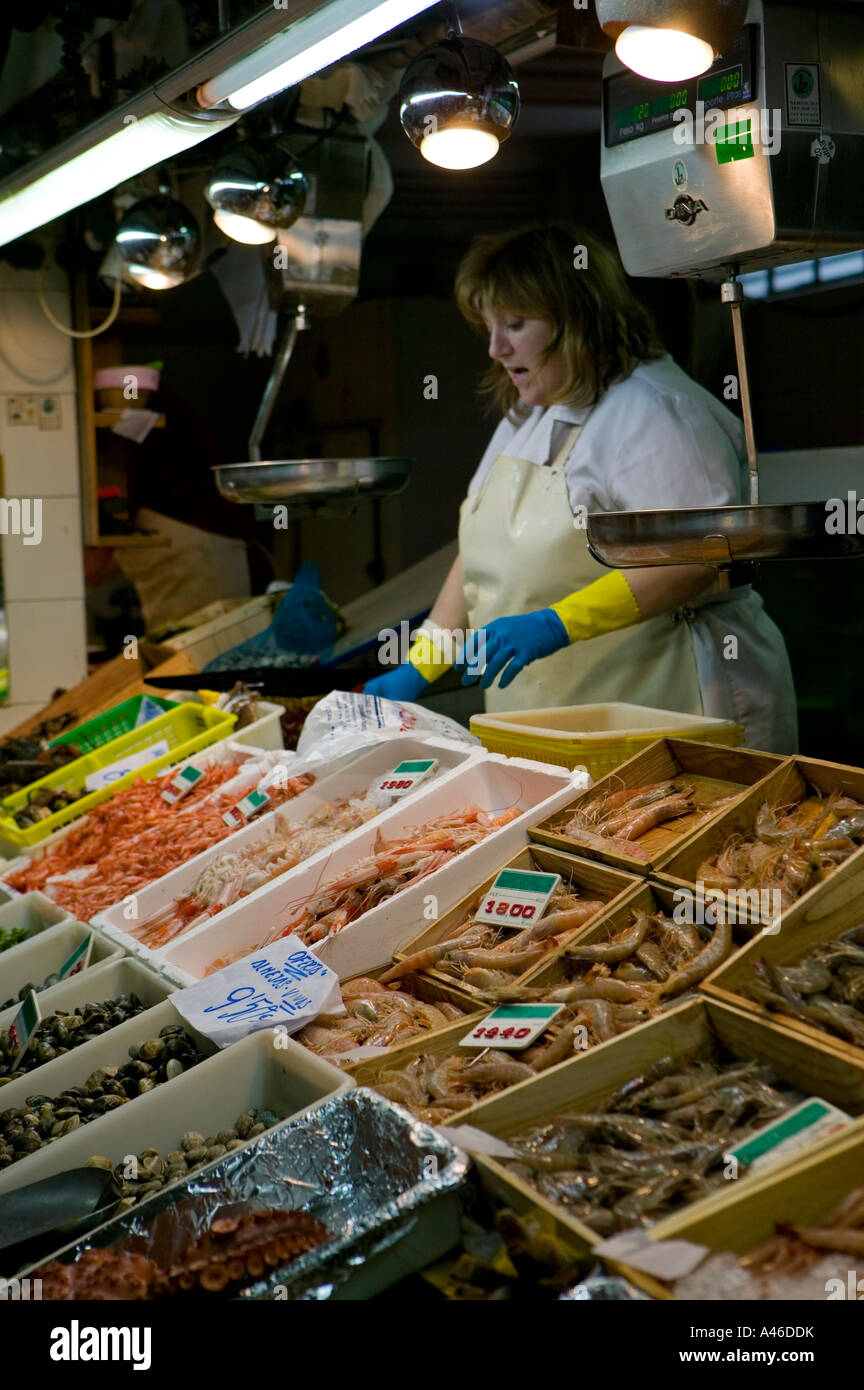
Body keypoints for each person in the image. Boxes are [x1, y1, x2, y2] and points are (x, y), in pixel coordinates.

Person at [366, 224, 797, 754]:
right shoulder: (528, 417)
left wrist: (557, 624)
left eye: (516, 325)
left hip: (673, 704)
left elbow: (699, 557)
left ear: (575, 318)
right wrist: (421, 667)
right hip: (559, 717)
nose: (496, 348)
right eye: (490, 327)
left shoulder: (658, 412)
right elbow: (482, 553)